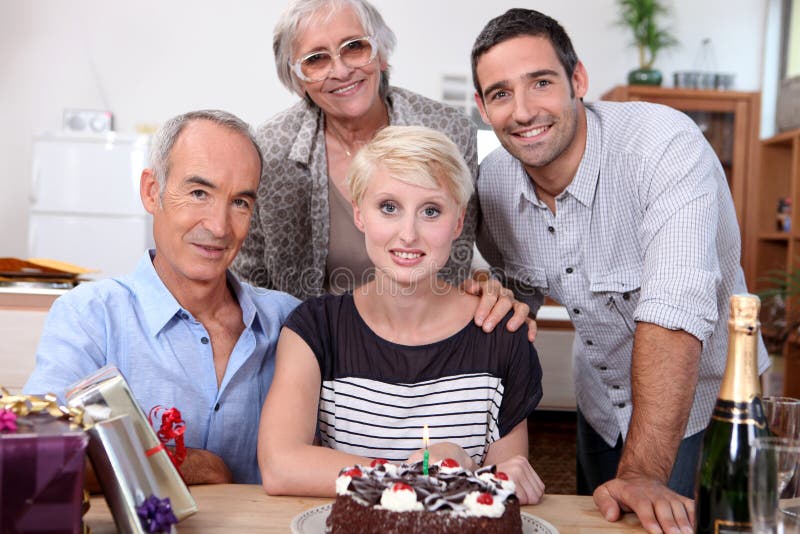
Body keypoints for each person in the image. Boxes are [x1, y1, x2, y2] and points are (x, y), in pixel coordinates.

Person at [469, 8, 770, 533]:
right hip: (601, 405)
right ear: (482, 107)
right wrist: (490, 295)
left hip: (706, 406)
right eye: (500, 94)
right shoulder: (491, 184)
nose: (522, 111)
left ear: (577, 80)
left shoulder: (663, 146)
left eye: (540, 82)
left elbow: (674, 310)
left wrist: (642, 473)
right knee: (602, 525)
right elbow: (518, 296)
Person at [257, 125, 545, 505]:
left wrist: (481, 475)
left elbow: (507, 492)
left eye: (431, 211)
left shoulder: (501, 334)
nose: (408, 234)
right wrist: (424, 475)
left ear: (458, 222)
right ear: (360, 214)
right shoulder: (313, 329)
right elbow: (281, 466)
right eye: (388, 207)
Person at [24, 110, 299, 485]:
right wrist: (198, 464)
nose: (219, 226)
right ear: (152, 192)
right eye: (199, 193)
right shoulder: (90, 316)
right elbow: (39, 455)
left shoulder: (289, 322)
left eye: (240, 203)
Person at [233, 0, 533, 339]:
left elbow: (455, 258)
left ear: (381, 53)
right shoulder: (270, 149)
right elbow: (250, 280)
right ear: (297, 78)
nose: (342, 70)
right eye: (316, 59)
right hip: (309, 348)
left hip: (424, 340)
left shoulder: (446, 130)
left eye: (355, 47)